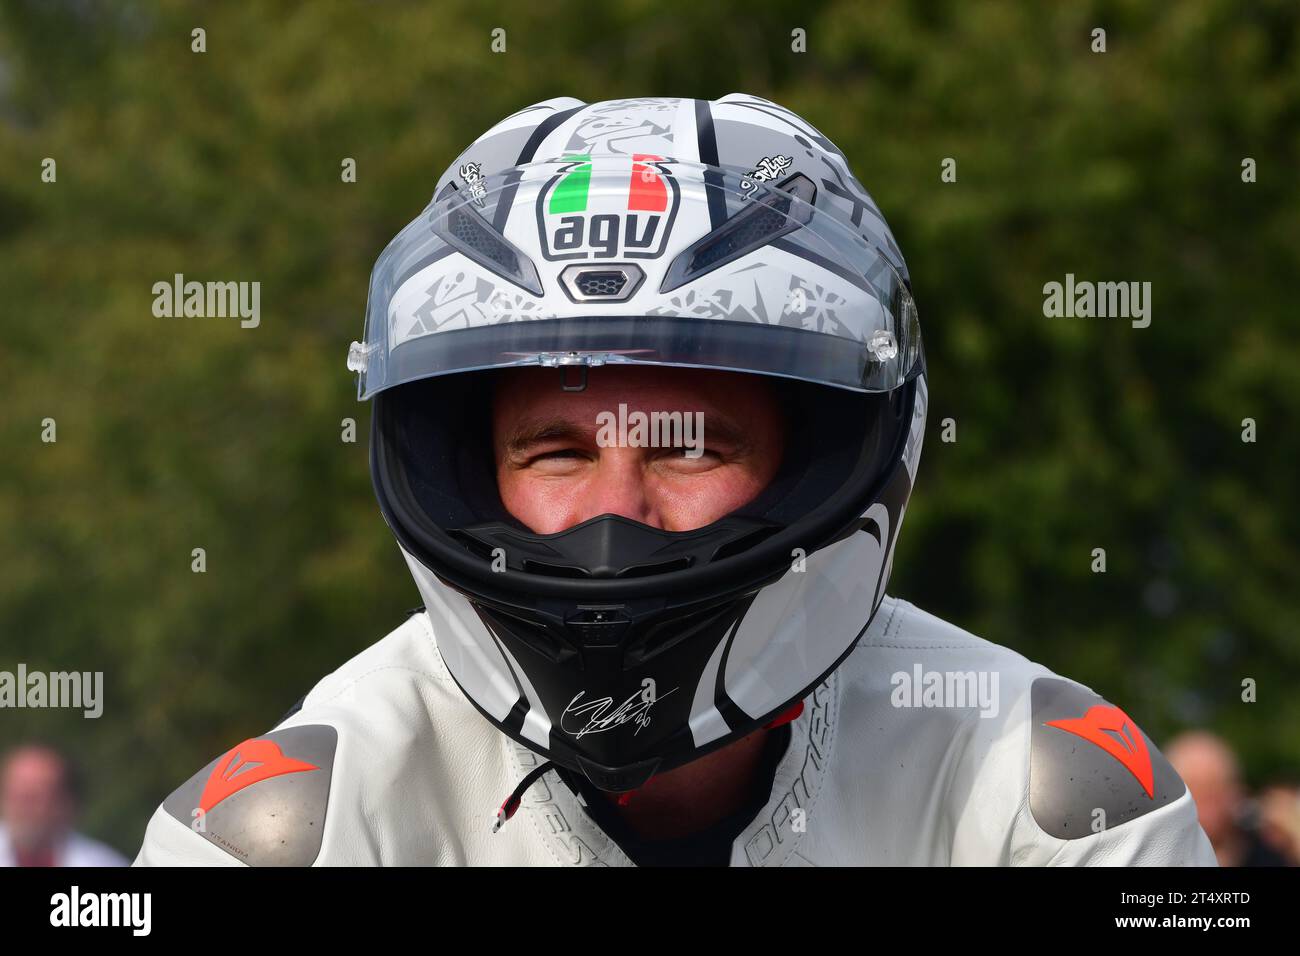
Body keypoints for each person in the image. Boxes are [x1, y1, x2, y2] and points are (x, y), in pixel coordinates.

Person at [134, 94, 1215, 866]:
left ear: (822, 456)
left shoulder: (1043, 795)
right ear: (468, 470)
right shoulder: (293, 832)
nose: (615, 514)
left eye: (688, 443)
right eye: (556, 450)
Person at [1165, 731, 1291, 866]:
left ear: (1237, 791)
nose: (1208, 796)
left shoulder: (1271, 856)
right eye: (1195, 786)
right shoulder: (1149, 858)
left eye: (1217, 785)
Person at [0, 744, 127, 867]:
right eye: (16, 791)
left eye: (38, 794)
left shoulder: (104, 863)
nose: (24, 804)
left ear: (68, 804)